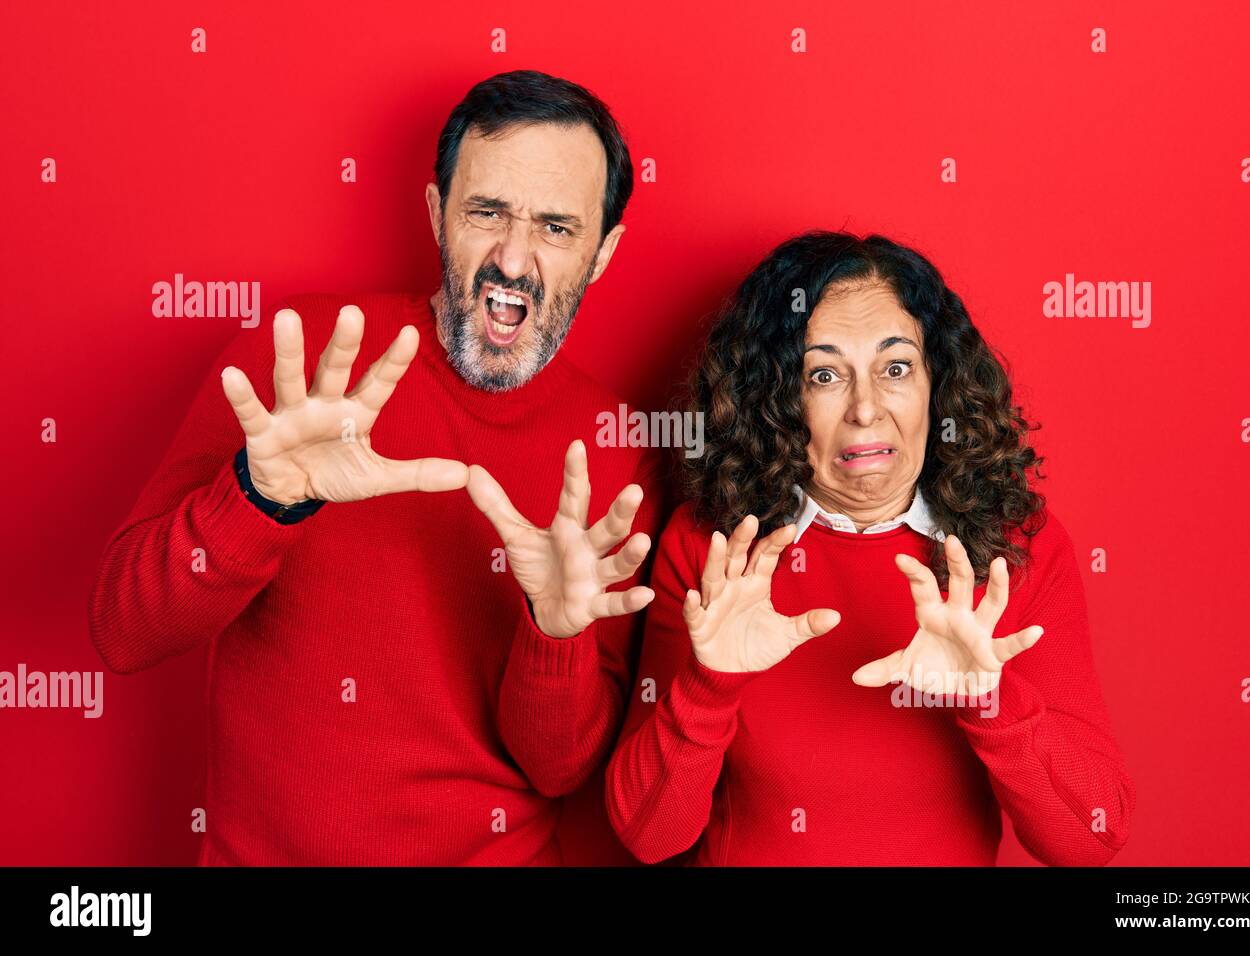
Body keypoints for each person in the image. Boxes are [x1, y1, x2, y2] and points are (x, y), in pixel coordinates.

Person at [89, 70, 668, 865]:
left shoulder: (614, 446)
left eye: (557, 227)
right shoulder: (302, 363)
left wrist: (554, 635)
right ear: (437, 214)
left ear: (603, 253)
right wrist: (262, 500)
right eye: (486, 212)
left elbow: (559, 770)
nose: (513, 258)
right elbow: (123, 633)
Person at [605, 231, 1135, 866]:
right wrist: (707, 687)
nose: (865, 409)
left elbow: (1092, 841)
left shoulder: (1018, 545)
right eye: (824, 374)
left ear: (937, 383)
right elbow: (648, 835)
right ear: (777, 398)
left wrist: (991, 702)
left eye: (896, 368)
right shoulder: (714, 543)